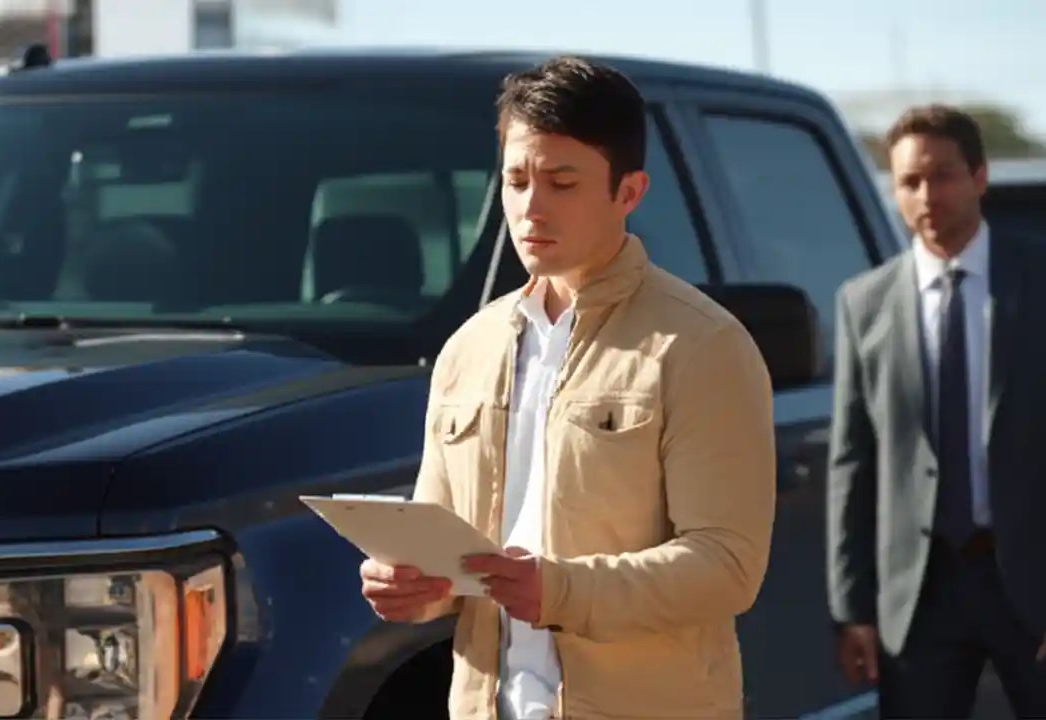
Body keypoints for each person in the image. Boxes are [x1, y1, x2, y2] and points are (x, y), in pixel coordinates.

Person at [358, 56, 776, 720]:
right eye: (516, 180)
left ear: (628, 193)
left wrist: (560, 590)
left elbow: (727, 566)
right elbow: (446, 550)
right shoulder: (468, 350)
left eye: (562, 182)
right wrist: (413, 586)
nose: (531, 207)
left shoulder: (700, 345)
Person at [827, 103, 1046, 717]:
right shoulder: (864, 303)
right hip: (920, 592)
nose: (927, 195)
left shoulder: (1037, 281)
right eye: (910, 181)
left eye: (943, 175)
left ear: (979, 176)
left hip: (1029, 577)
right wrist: (851, 609)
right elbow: (853, 462)